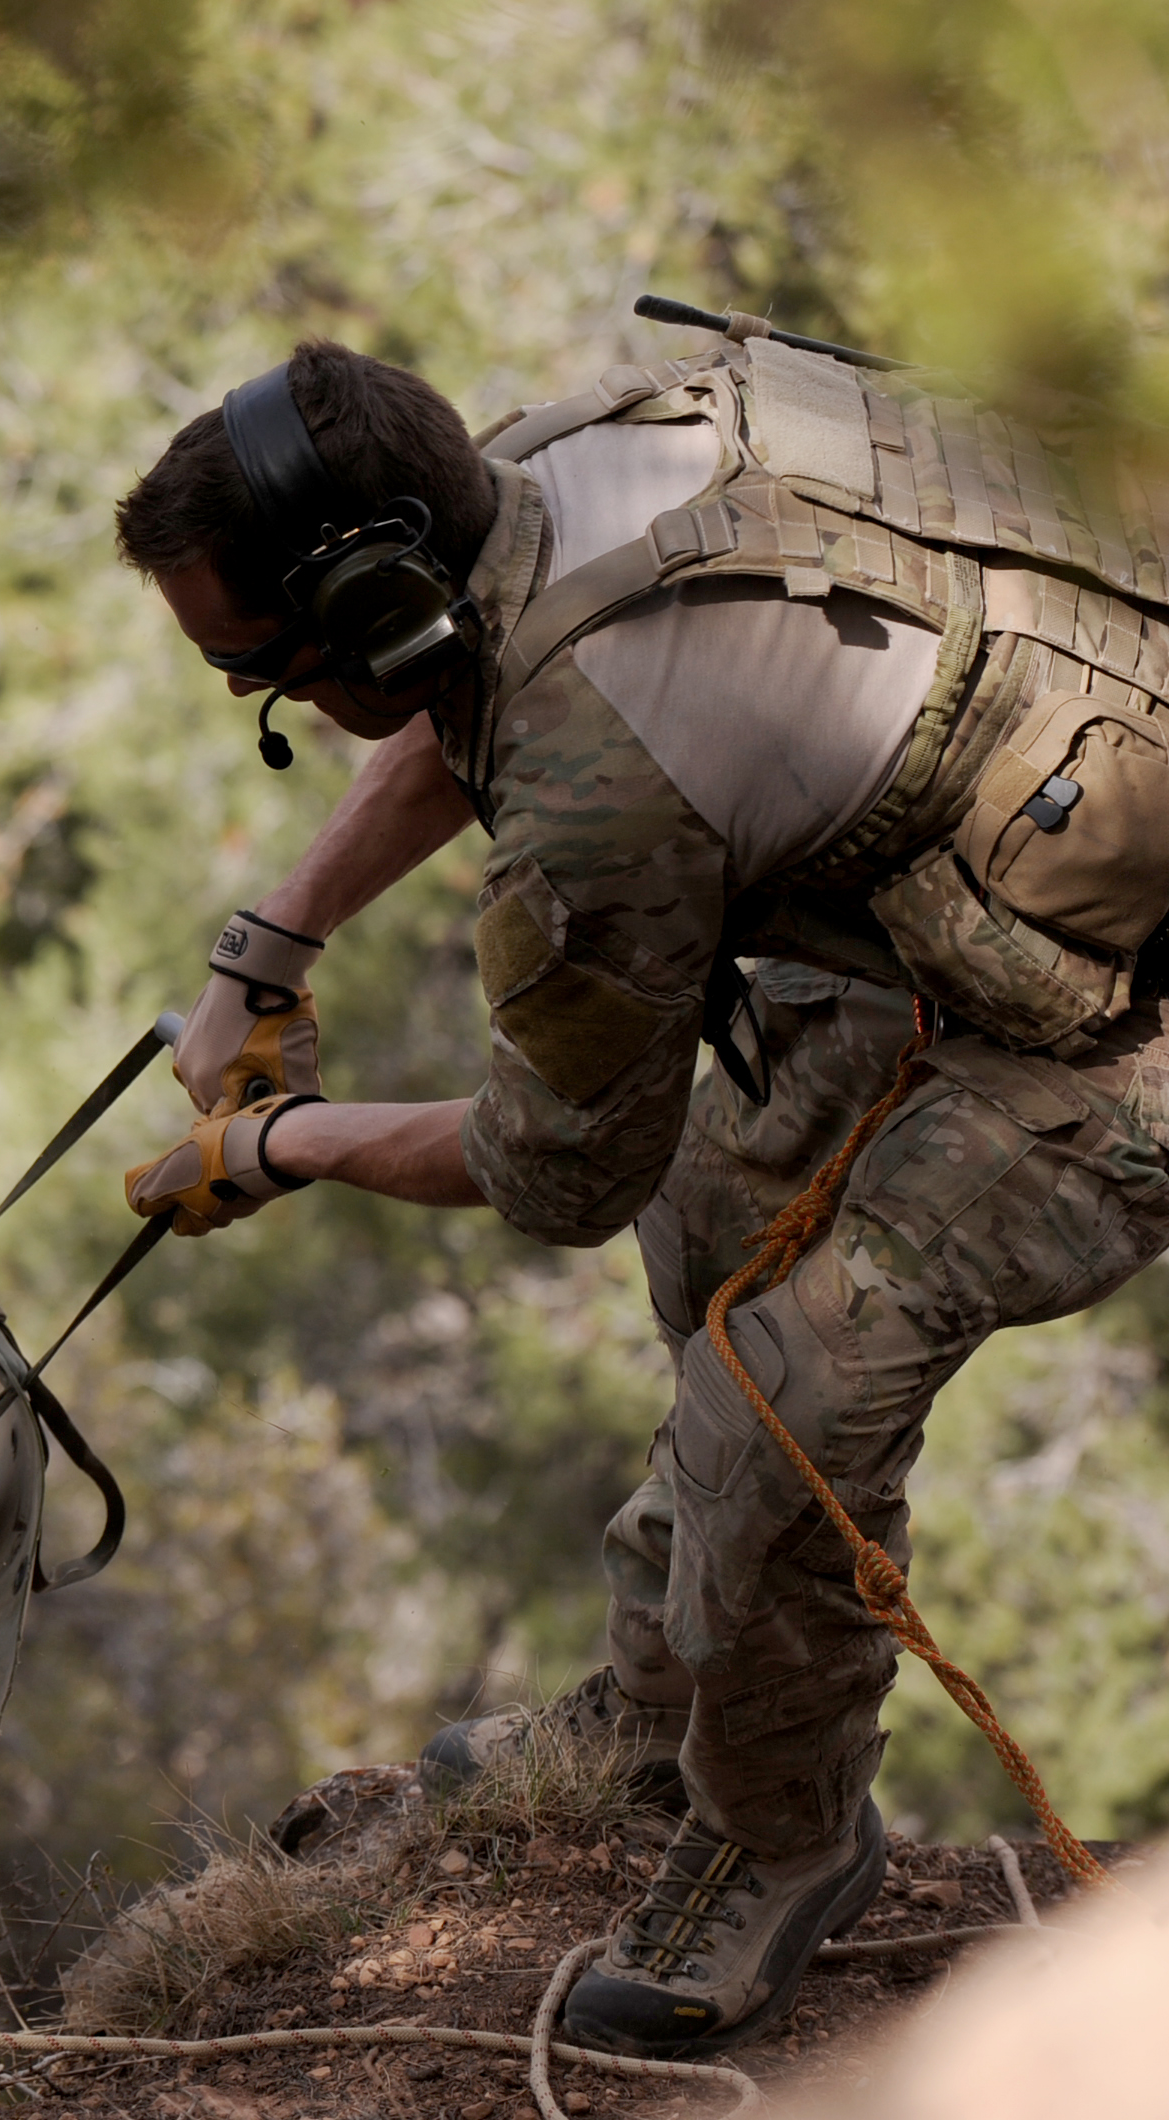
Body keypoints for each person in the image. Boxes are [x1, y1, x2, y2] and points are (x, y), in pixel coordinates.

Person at [111, 331, 1169, 2057]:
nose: (271, 706)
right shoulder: (545, 464)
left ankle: (777, 1841)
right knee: (714, 1190)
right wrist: (270, 940)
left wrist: (271, 1146)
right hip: (970, 894)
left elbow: (549, 1169)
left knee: (783, 1386)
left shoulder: (600, 786)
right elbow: (479, 697)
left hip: (1114, 1023)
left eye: (262, 673)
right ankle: (676, 1681)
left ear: (372, 601)